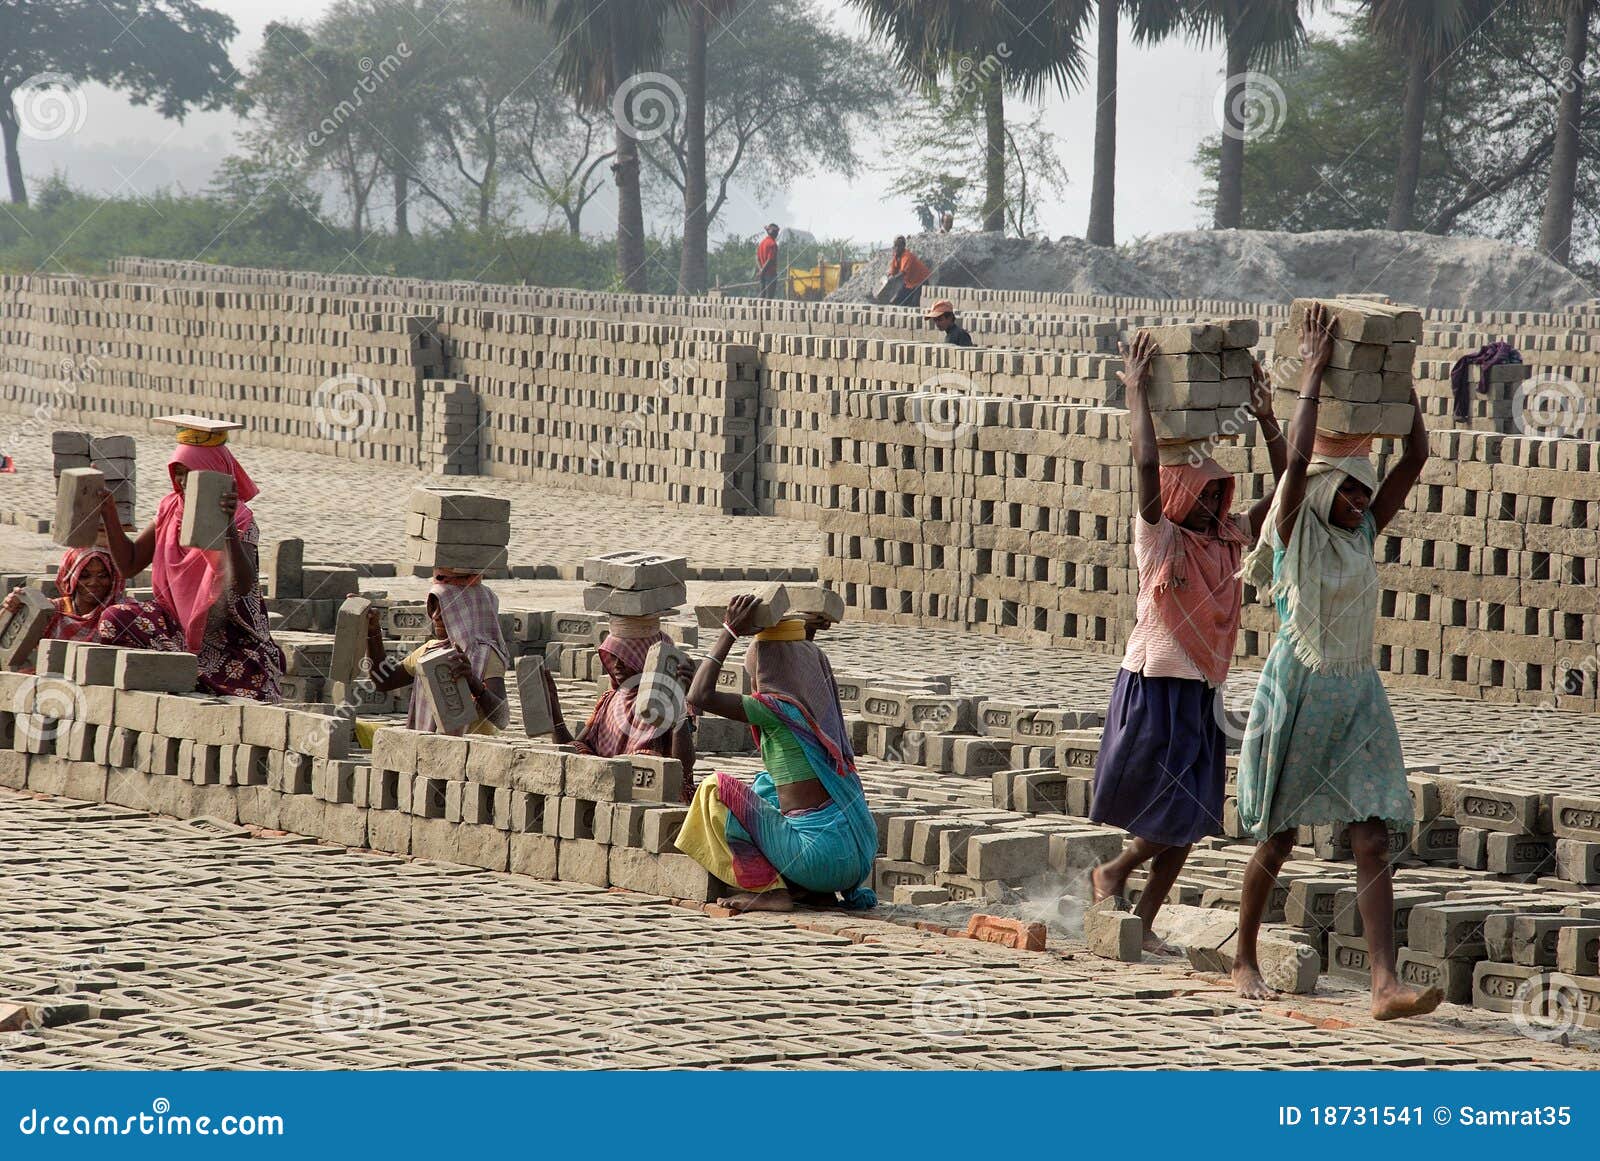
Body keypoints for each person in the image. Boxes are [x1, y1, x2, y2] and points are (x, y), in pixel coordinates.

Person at [1231, 303, 1440, 1022]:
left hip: (1355, 691)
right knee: (1279, 835)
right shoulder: (1291, 528)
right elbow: (1292, 461)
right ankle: (1244, 953)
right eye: (1347, 489)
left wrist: (1397, 382)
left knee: (1372, 829)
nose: (1358, 499)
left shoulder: (1366, 529)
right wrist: (1315, 368)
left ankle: (1385, 982)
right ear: (1320, 491)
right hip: (1295, 688)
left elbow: (1415, 458)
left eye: (1361, 488)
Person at [1088, 332, 1287, 953]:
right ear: (1179, 496)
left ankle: (1140, 914)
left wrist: (1268, 416)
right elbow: (1147, 464)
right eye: (1201, 493)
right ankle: (1115, 871)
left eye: (1217, 493)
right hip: (1154, 686)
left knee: (1196, 816)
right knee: (1171, 809)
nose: (1211, 503)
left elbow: (1290, 486)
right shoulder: (1161, 541)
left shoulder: (1229, 540)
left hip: (1202, 691)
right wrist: (1136, 392)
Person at [677, 596, 877, 914]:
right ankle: (810, 891)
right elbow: (794, 665)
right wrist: (802, 631)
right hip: (854, 858)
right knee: (766, 786)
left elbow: (700, 696)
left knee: (714, 790)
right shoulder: (818, 708)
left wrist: (728, 631)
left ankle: (769, 891)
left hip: (817, 858)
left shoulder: (775, 709)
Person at [97, 419, 284, 701]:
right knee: (114, 619)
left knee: (251, 685)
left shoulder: (241, 517)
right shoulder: (169, 507)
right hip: (176, 627)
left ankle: (194, 673)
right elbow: (131, 563)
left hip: (227, 634)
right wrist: (109, 514)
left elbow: (245, 583)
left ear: (214, 474)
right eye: (179, 473)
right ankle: (182, 668)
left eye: (192, 474)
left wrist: (226, 527)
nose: (183, 482)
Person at [546, 617, 697, 796]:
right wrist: (553, 707)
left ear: (647, 659)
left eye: (627, 656)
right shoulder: (609, 701)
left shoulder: (664, 703)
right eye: (614, 655)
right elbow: (573, 756)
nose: (617, 664)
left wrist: (677, 701)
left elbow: (682, 769)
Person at [365, 572, 509, 736]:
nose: (435, 616)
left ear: (466, 611)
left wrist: (472, 681)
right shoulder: (430, 649)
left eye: (445, 609)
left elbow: (502, 718)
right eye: (433, 608)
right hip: (431, 749)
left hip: (473, 753)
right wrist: (373, 633)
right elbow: (385, 681)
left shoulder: (485, 655)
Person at [2, 546, 126, 648]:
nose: (93, 583)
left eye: (102, 575)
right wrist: (9, 610)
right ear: (70, 578)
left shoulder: (125, 614)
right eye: (84, 576)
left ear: (114, 579)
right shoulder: (50, 612)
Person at [886, 235, 930, 307]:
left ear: (903, 246)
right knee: (897, 302)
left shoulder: (907, 256)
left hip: (921, 281)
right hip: (909, 283)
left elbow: (902, 273)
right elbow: (893, 271)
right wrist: (888, 278)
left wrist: (893, 279)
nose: (896, 248)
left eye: (898, 246)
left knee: (914, 305)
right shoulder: (896, 256)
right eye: (895, 246)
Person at [756, 223, 781, 300]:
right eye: (777, 232)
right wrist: (762, 271)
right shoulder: (772, 244)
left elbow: (757, 258)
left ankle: (759, 311)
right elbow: (770, 260)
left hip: (762, 274)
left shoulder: (762, 243)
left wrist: (760, 270)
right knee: (769, 299)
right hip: (770, 274)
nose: (777, 234)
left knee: (762, 297)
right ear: (775, 233)